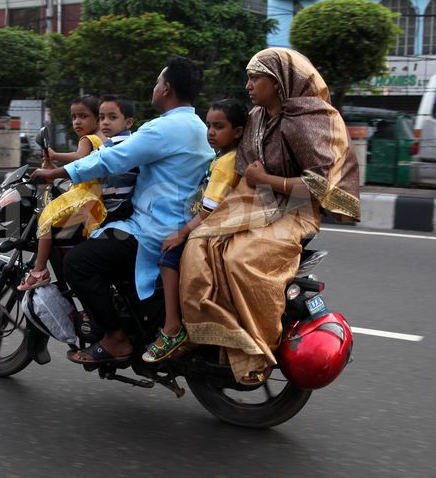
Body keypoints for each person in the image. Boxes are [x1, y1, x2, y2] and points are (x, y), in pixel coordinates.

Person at [179, 48, 361, 385]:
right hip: (256, 204)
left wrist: (267, 181)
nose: (248, 85)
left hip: (296, 212)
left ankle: (256, 350)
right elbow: (242, 170)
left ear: (277, 82)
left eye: (255, 78)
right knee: (198, 245)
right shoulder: (257, 117)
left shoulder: (313, 119)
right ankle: (214, 335)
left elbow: (322, 186)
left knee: (240, 261)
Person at [32, 56, 215, 364]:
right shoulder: (197, 126)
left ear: (167, 88)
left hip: (153, 229)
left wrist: (54, 174)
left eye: (157, 82)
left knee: (78, 262)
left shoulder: (164, 128)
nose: (154, 88)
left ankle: (115, 339)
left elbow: (110, 159)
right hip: (178, 220)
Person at [142, 99, 247, 363]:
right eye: (209, 125)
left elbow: (209, 209)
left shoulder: (225, 163)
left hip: (211, 229)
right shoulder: (228, 157)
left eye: (219, 126)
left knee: (168, 259)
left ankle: (172, 327)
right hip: (222, 226)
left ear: (238, 131)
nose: (211, 132)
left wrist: (181, 233)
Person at [18, 96, 107, 291]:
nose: (77, 121)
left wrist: (55, 154)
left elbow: (80, 160)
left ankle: (39, 269)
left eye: (83, 116)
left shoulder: (88, 139)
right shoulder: (102, 138)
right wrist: (54, 170)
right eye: (74, 117)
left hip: (84, 195)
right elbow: (80, 171)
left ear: (97, 118)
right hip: (92, 194)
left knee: (45, 219)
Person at [96, 94, 138, 224]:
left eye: (112, 117)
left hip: (114, 208)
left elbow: (87, 165)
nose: (105, 122)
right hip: (127, 206)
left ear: (128, 123)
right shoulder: (133, 143)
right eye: (101, 117)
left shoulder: (113, 147)